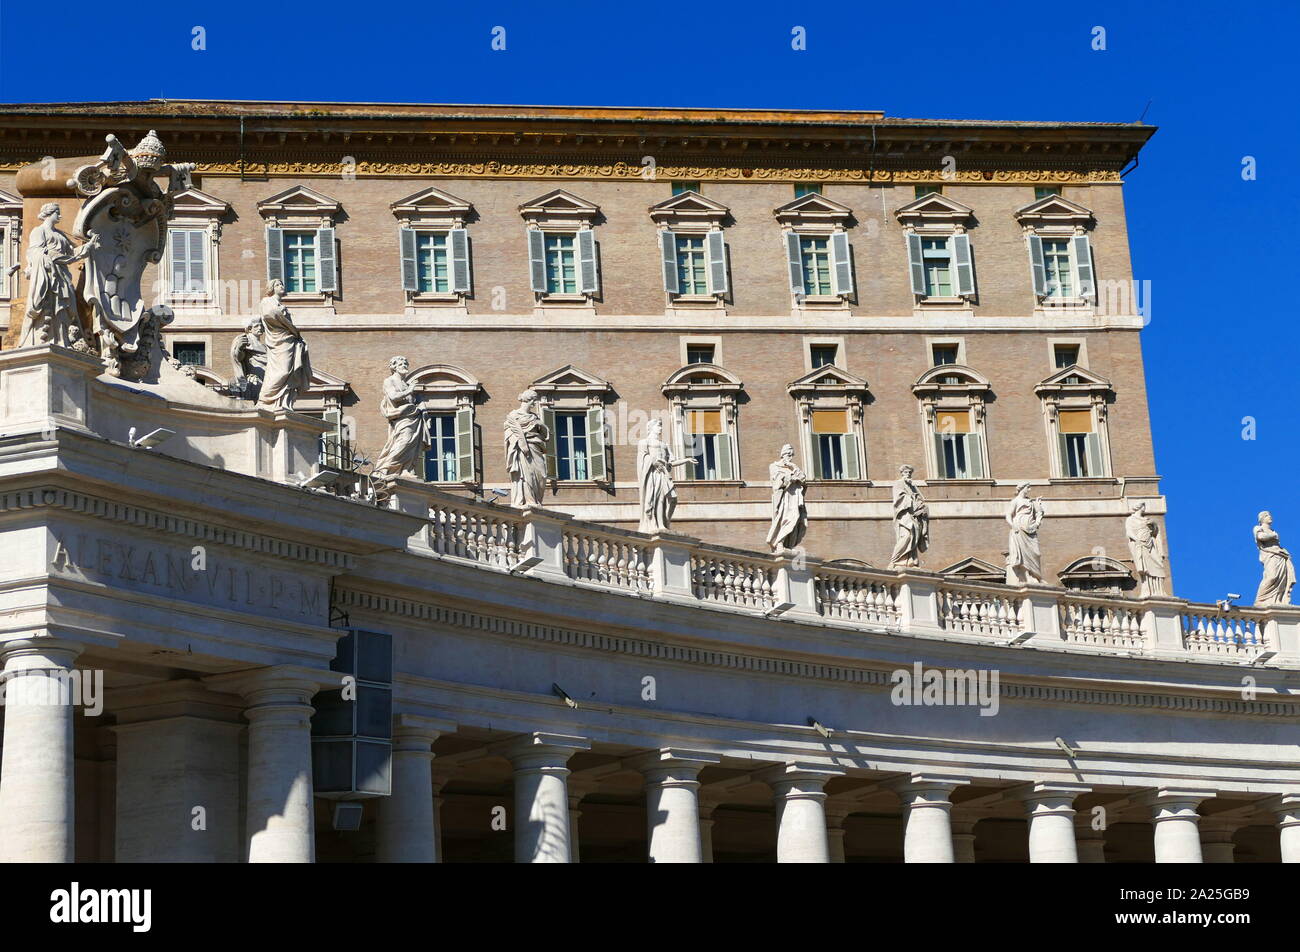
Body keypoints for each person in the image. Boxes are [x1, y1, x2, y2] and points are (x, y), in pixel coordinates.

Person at [18, 203, 96, 348]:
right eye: (57, 212)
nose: (60, 215)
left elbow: (72, 253)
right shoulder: (38, 231)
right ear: (49, 213)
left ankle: (61, 340)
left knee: (64, 308)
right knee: (47, 306)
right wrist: (50, 259)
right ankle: (43, 338)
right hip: (47, 275)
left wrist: (88, 246)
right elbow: (35, 252)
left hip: (61, 276)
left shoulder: (60, 235)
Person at [372, 356, 431, 499]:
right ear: (393, 367)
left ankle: (405, 469)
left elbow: (413, 400)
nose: (404, 365)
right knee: (403, 442)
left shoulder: (405, 383)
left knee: (412, 445)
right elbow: (393, 397)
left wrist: (421, 405)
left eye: (406, 363)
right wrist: (410, 390)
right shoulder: (390, 381)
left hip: (414, 417)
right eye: (400, 363)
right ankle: (384, 468)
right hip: (402, 418)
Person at [256, 279, 312, 411]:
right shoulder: (266, 302)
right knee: (282, 370)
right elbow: (270, 315)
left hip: (289, 341)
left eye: (282, 284)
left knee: (290, 372)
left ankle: (283, 402)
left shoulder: (281, 306)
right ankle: (265, 398)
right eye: (277, 285)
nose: (281, 286)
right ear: (272, 288)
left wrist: (293, 332)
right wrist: (289, 325)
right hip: (278, 341)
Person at [636, 419, 692, 534]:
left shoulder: (664, 445)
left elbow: (671, 463)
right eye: (658, 426)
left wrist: (686, 460)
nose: (661, 428)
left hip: (664, 474)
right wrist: (653, 462)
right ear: (651, 428)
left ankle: (664, 522)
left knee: (671, 499)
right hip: (653, 475)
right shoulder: (644, 442)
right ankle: (659, 524)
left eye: (661, 426)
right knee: (657, 499)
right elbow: (642, 459)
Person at [504, 389, 549, 508]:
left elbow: (545, 435)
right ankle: (529, 500)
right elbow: (509, 436)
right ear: (530, 400)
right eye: (534, 400)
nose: (535, 403)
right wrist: (522, 443)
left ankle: (536, 500)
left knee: (541, 475)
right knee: (526, 475)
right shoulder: (513, 416)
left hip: (536, 449)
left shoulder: (534, 417)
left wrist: (540, 425)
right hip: (522, 452)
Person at [766, 444, 808, 552]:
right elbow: (776, 481)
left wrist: (792, 467)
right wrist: (790, 478)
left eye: (792, 455)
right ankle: (779, 542)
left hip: (795, 498)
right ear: (782, 454)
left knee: (798, 521)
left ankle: (788, 545)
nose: (790, 456)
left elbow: (803, 478)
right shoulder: (774, 466)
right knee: (788, 519)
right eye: (788, 454)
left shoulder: (793, 466)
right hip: (785, 498)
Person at [1005, 481, 1045, 584]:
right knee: (1023, 553)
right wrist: (1013, 525)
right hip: (1020, 527)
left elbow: (1039, 513)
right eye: (1028, 487)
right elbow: (1008, 515)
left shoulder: (1031, 502)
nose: (1029, 490)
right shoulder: (1015, 501)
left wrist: (1038, 505)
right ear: (1022, 488)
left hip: (1031, 528)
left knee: (1036, 553)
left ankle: (1036, 575)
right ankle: (1027, 576)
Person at [889, 465, 929, 567]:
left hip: (914, 517)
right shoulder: (898, 484)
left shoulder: (913, 487)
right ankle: (895, 560)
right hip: (904, 515)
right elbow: (899, 499)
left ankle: (910, 560)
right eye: (906, 472)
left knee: (914, 537)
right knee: (907, 536)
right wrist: (913, 501)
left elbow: (920, 500)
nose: (908, 474)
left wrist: (922, 508)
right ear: (902, 473)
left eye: (910, 473)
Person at [1125, 501, 1168, 597]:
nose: (1144, 508)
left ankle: (1159, 591)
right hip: (1141, 545)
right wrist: (1137, 540)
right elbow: (1129, 532)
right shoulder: (1130, 520)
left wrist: (1154, 524)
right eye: (1143, 506)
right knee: (1146, 569)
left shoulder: (1147, 520)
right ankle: (1147, 590)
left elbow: (1155, 532)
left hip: (1150, 545)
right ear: (1139, 507)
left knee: (1159, 565)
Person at [1254, 511, 1295, 606]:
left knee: (1282, 580)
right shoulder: (1258, 528)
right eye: (1267, 516)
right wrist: (1273, 535)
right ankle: (1260, 599)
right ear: (1262, 518)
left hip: (1280, 555)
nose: (1270, 517)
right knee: (1272, 576)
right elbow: (1260, 536)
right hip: (1270, 555)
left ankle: (1278, 600)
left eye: (1270, 515)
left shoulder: (1273, 530)